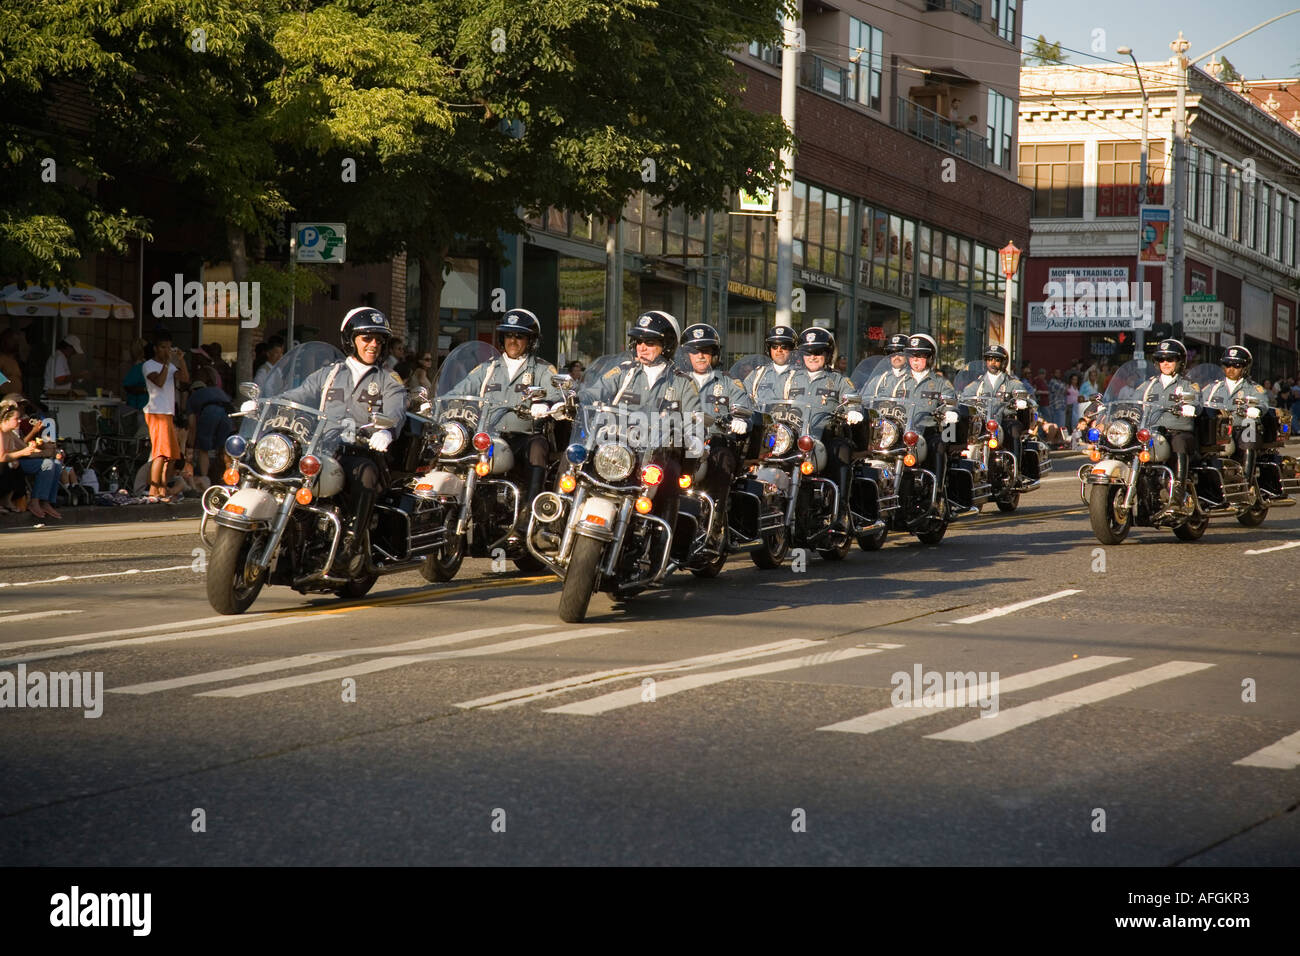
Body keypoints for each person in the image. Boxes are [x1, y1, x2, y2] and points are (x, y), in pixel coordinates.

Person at [255, 307, 407, 570]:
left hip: (359, 452)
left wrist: (386, 431)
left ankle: (351, 543)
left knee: (366, 475)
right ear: (351, 339)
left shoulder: (387, 380)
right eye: (366, 338)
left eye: (378, 340)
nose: (373, 345)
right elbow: (298, 395)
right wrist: (264, 404)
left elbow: (396, 410)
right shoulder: (330, 374)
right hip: (321, 449)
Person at [579, 310, 701, 523]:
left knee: (671, 475)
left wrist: (692, 435)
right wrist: (573, 399)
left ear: (668, 345)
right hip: (616, 447)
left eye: (650, 342)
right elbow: (593, 392)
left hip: (656, 455)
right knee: (576, 461)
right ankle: (556, 521)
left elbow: (695, 419)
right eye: (639, 341)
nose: (642, 347)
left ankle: (661, 544)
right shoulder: (623, 372)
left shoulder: (682, 382)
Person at [447, 308, 561, 512]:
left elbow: (556, 394)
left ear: (531, 340)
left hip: (524, 436)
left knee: (538, 446)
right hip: (489, 437)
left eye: (520, 336)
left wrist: (546, 404)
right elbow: (459, 392)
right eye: (508, 335)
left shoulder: (543, 369)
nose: (513, 341)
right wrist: (437, 404)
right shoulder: (487, 369)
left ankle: (530, 510)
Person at [679, 322, 751, 547]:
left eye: (706, 351)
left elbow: (744, 405)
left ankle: (714, 522)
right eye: (694, 351)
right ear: (686, 354)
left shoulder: (728, 383)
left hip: (715, 442)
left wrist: (740, 419)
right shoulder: (674, 381)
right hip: (681, 443)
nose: (700, 356)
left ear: (714, 354)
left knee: (721, 460)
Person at [783, 327, 863, 530]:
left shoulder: (838, 380)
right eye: (808, 353)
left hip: (825, 435)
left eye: (818, 352)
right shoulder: (789, 378)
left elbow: (852, 398)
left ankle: (841, 508)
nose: (812, 357)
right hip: (793, 436)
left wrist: (853, 410)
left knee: (841, 450)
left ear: (827, 355)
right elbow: (766, 400)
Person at [1135, 339, 1201, 511]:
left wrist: (1190, 407)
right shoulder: (1147, 386)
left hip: (1178, 432)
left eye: (1170, 359)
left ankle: (1178, 493)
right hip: (1153, 433)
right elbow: (1131, 404)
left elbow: (1197, 403)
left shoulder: (1188, 385)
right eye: (1161, 359)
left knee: (1179, 443)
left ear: (1179, 362)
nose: (1165, 363)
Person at [888, 332, 959, 486]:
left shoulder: (941, 383)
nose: (915, 360)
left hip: (928, 431)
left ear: (929, 358)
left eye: (920, 356)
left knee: (939, 446)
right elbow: (884, 402)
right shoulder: (898, 382)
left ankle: (938, 490)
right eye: (912, 356)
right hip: (901, 432)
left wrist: (950, 412)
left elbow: (951, 402)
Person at [1201, 345, 1269, 485]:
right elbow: (1199, 403)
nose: (1231, 369)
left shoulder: (1253, 388)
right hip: (1219, 430)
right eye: (1227, 364)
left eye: (1236, 365)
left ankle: (1245, 482)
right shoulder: (1212, 388)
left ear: (1245, 368)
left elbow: (1263, 403)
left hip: (1242, 427)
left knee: (1248, 438)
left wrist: (1257, 410)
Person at [960, 344, 1035, 470]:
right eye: (989, 359)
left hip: (1005, 420)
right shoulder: (978, 383)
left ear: (1003, 363)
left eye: (997, 360)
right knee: (968, 432)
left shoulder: (1012, 383)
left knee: (1015, 431)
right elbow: (964, 396)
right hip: (984, 420)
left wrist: (1021, 402)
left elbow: (1025, 397)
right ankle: (968, 467)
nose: (992, 363)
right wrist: (960, 401)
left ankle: (1016, 468)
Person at [143, 330, 190, 501]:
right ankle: (154, 491)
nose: (166, 351)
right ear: (156, 348)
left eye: (169, 348)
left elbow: (185, 379)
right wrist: (167, 363)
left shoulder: (170, 366)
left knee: (173, 455)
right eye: (163, 347)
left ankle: (163, 488)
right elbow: (160, 382)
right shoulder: (148, 365)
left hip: (168, 413)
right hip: (156, 412)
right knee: (160, 454)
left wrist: (181, 360)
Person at [1, 402, 63, 518]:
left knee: (56, 464)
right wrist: (26, 451)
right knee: (48, 464)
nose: (19, 420)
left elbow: (24, 447)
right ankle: (34, 501)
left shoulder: (11, 433)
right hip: (10, 464)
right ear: (6, 419)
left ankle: (45, 501)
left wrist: (43, 450)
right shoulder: (2, 432)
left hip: (17, 461)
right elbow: (3, 456)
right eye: (16, 418)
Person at [186, 365, 233, 484]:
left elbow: (192, 425)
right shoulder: (218, 391)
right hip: (227, 413)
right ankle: (230, 477)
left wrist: (190, 446)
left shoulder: (192, 398)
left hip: (210, 412)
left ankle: (205, 478)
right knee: (225, 448)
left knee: (204, 449)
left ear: (193, 389)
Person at [741, 324, 799, 406]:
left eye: (784, 347)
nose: (779, 350)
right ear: (769, 349)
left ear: (793, 349)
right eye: (775, 347)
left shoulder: (802, 374)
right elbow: (743, 399)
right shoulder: (757, 374)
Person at [860, 333, 910, 399]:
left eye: (900, 353)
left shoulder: (913, 379)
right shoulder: (879, 379)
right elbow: (864, 399)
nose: (896, 356)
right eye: (892, 353)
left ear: (907, 355)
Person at [0, 330, 23, 397]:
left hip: (16, 397)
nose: (16, 343)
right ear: (4, 341)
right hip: (4, 399)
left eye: (17, 341)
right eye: (13, 340)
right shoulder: (1, 359)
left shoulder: (14, 360)